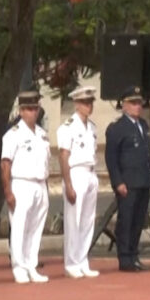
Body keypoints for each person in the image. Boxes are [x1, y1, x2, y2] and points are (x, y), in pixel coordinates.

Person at [1, 91, 51, 284]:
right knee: (20, 227)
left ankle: (32, 264)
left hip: (40, 183)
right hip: (21, 182)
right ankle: (19, 266)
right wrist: (7, 191)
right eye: (29, 109)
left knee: (36, 228)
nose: (33, 112)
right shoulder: (13, 135)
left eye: (35, 108)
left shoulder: (42, 134)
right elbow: (5, 164)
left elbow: (45, 163)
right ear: (21, 111)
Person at [104, 86, 150, 272]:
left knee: (138, 220)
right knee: (126, 221)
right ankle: (125, 258)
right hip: (127, 182)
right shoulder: (117, 129)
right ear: (124, 105)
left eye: (139, 103)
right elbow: (111, 158)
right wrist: (118, 182)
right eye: (133, 103)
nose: (137, 107)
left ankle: (134, 255)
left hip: (143, 180)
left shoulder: (143, 125)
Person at [56, 85, 100, 279]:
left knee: (87, 220)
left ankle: (83, 260)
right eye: (84, 102)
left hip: (90, 172)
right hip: (76, 173)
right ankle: (71, 262)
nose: (88, 106)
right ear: (76, 104)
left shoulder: (92, 127)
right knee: (73, 220)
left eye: (90, 102)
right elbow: (64, 157)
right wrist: (68, 184)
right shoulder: (67, 127)